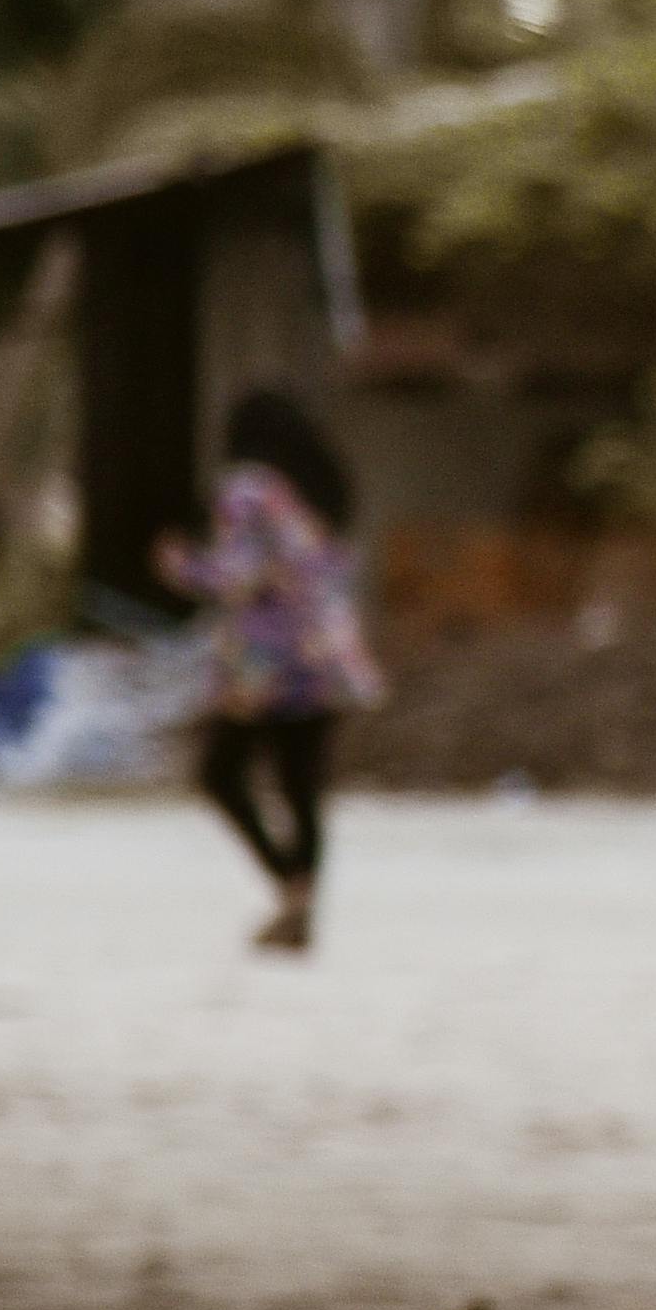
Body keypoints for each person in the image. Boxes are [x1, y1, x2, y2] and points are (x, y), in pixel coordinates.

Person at [159, 386, 382, 956]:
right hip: (325, 655)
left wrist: (183, 568)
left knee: (220, 773)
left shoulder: (247, 489)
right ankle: (298, 904)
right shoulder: (317, 492)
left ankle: (290, 890)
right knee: (300, 786)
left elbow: (242, 575)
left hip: (266, 664)